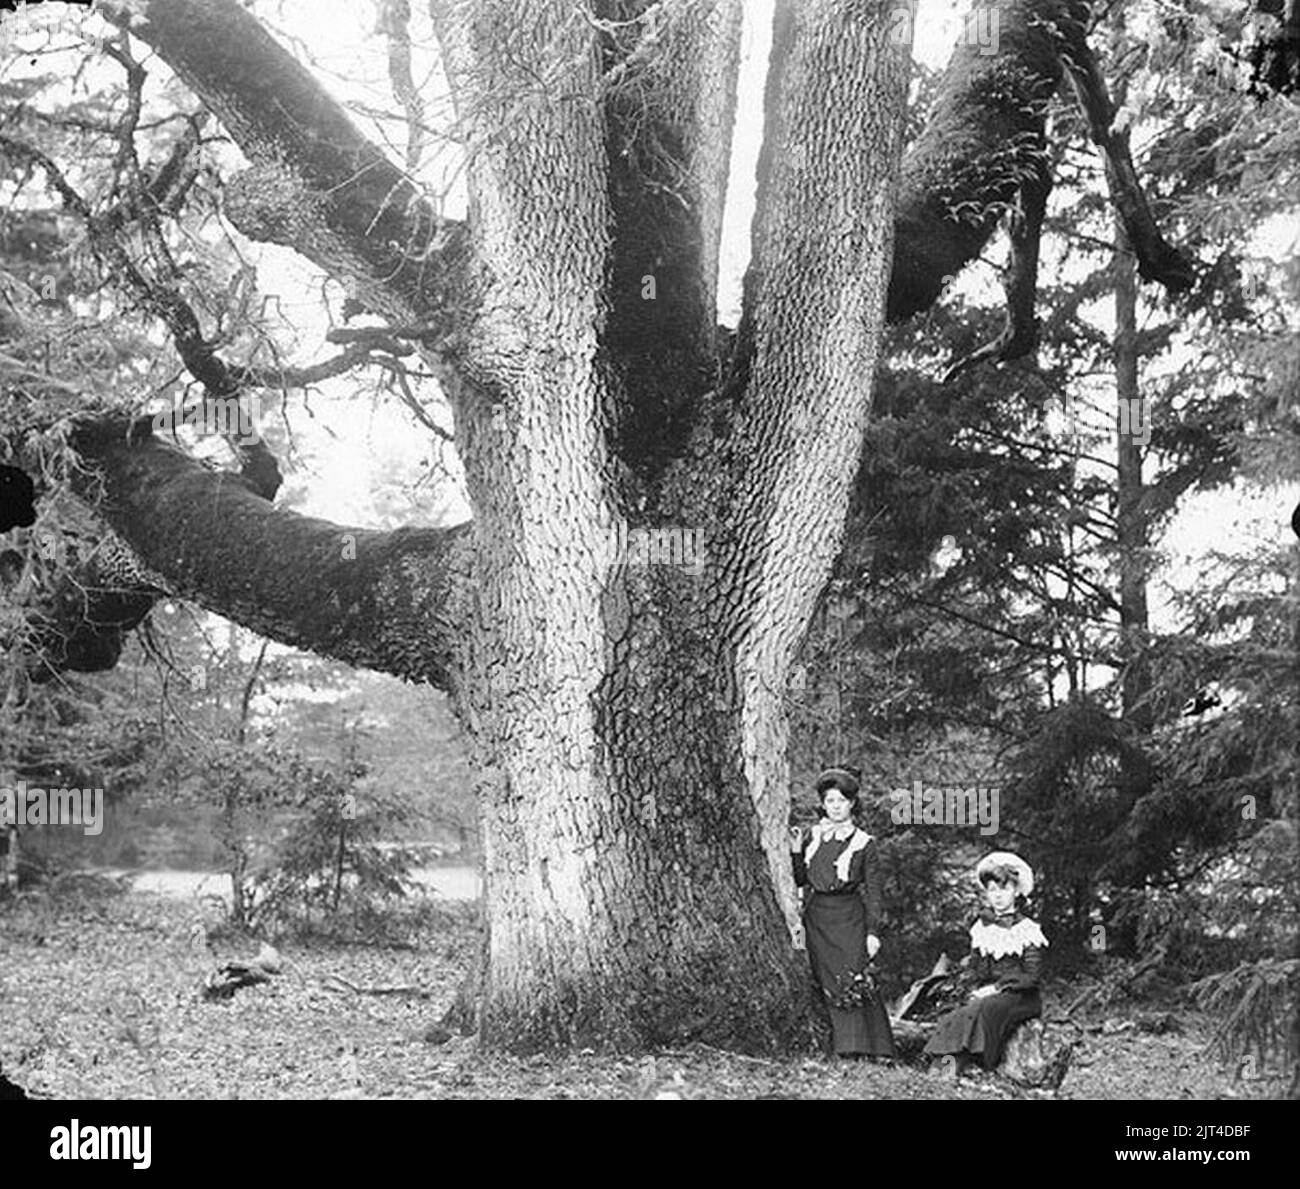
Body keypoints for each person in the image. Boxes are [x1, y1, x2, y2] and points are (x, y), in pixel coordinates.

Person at [790, 766, 896, 1059]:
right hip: (815, 917)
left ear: (852, 804)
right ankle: (834, 1044)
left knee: (852, 978)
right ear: (823, 804)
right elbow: (800, 879)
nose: (836, 807)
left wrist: (873, 932)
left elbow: (874, 892)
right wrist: (797, 851)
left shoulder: (864, 843)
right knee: (820, 977)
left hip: (849, 918)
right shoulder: (813, 836)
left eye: (841, 800)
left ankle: (867, 1046)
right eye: (830, 801)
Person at [923, 850, 1048, 1076]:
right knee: (959, 1009)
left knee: (984, 1008)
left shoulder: (1028, 929)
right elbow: (977, 969)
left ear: (1016, 892)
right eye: (992, 890)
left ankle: (972, 1064)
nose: (998, 895)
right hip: (990, 992)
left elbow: (1032, 977)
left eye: (1004, 889)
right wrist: (967, 985)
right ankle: (943, 1067)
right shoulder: (983, 927)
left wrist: (996, 988)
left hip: (1021, 996)